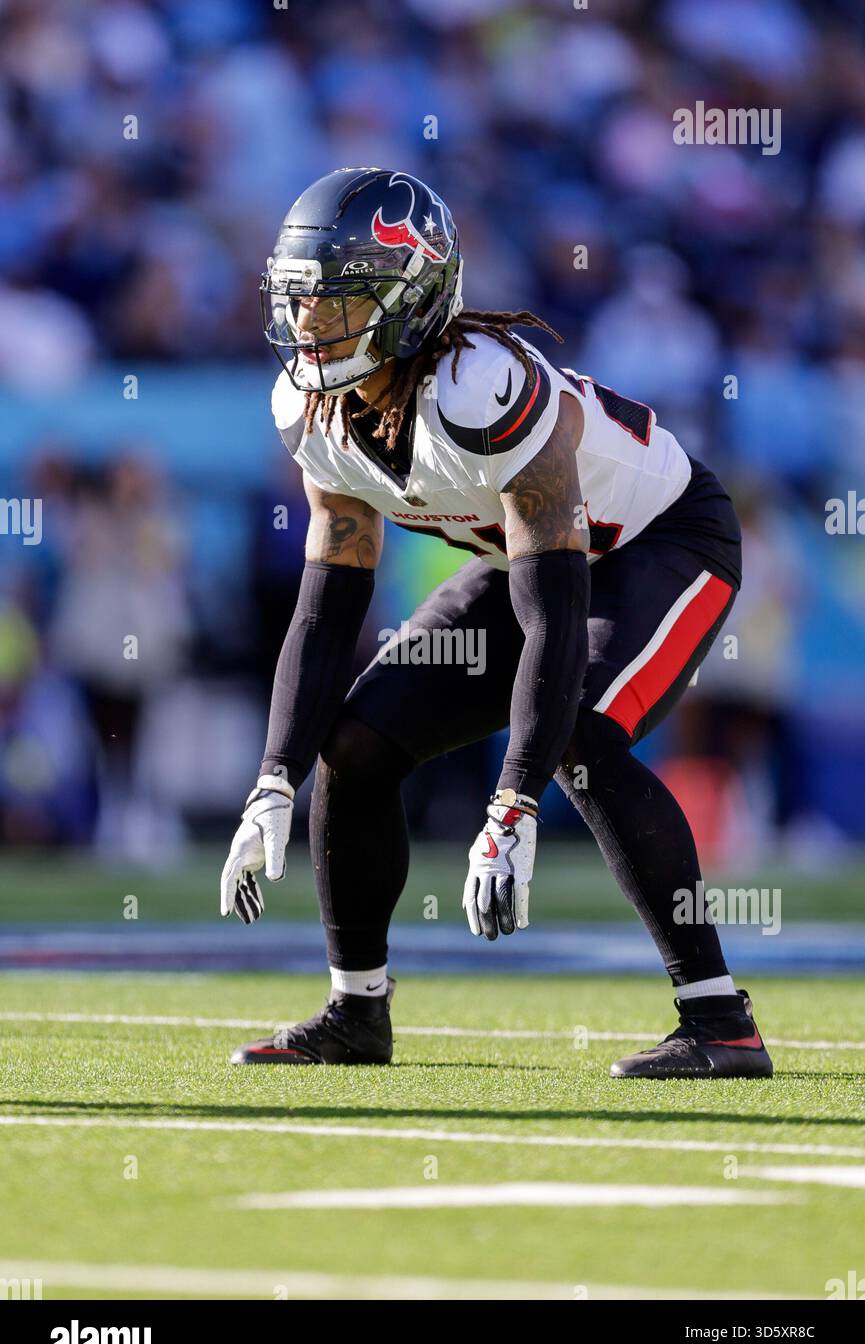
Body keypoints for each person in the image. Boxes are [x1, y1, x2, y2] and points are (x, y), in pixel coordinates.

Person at [220, 167, 772, 1079]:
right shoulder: (313, 410)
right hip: (523, 564)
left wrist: (510, 803)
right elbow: (328, 603)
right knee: (353, 748)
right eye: (301, 298)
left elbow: (555, 612)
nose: (310, 323)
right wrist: (274, 776)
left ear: (412, 295)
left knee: (581, 742)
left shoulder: (483, 391)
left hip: (655, 542)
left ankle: (718, 1020)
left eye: (338, 298)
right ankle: (357, 1009)